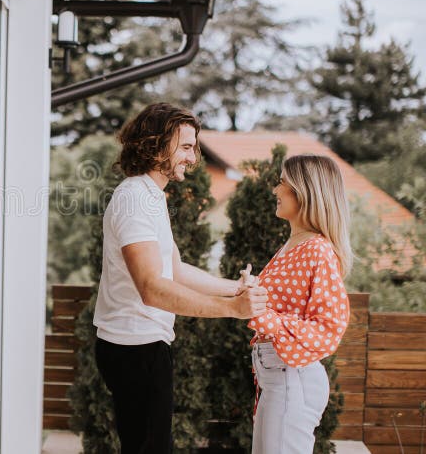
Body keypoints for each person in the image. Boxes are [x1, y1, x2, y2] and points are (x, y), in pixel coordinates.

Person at [93, 103, 269, 454]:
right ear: (156, 145)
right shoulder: (134, 201)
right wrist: (232, 309)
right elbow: (152, 288)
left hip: (145, 345)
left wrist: (235, 288)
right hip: (134, 347)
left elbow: (173, 270)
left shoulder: (151, 197)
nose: (194, 157)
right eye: (186, 147)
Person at [245, 154, 353, 454]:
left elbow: (329, 325)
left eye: (282, 183)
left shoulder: (317, 249)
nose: (275, 190)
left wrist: (264, 318)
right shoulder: (294, 245)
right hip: (278, 379)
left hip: (291, 378)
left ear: (305, 192)